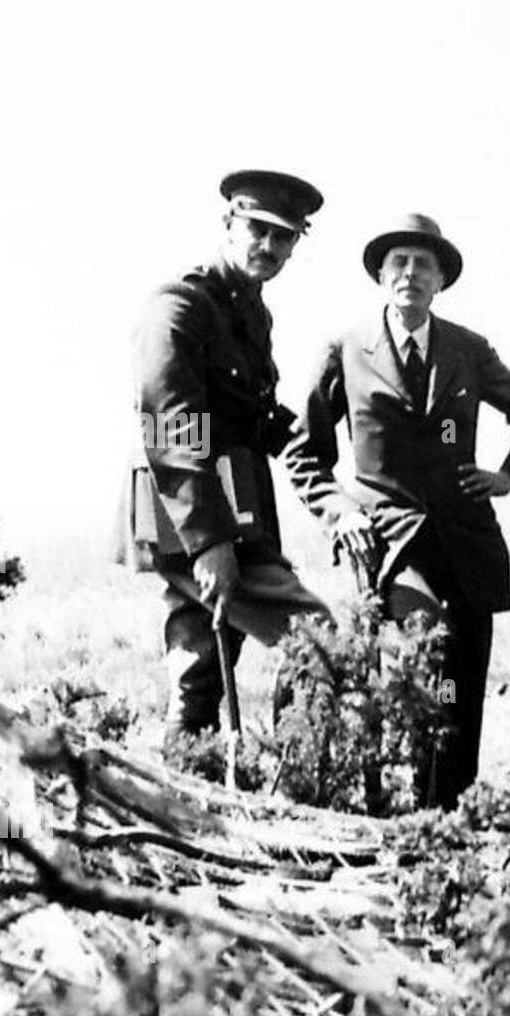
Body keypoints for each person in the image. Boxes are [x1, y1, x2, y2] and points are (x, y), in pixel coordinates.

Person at [284, 214, 510, 809]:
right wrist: (339, 510)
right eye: (398, 263)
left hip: (467, 543)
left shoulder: (467, 349)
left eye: (422, 265)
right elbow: (304, 448)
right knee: (414, 658)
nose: (410, 274)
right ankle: (385, 798)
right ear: (381, 276)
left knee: (459, 679)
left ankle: (449, 806)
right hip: (390, 543)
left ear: (440, 281)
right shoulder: (347, 351)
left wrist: (509, 476)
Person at [113, 169, 331, 743]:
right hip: (185, 511)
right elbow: (174, 425)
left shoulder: (250, 314)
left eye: (283, 237)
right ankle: (301, 776)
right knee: (316, 638)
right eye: (257, 229)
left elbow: (252, 412)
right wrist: (209, 543)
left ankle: (189, 779)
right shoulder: (179, 306)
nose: (268, 246)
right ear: (228, 223)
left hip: (231, 499)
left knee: (204, 650)